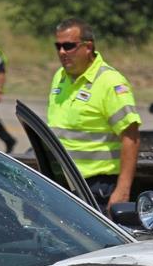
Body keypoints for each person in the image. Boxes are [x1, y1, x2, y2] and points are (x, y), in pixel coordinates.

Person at [47, 17, 141, 212]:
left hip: (96, 188)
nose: (62, 52)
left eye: (69, 46)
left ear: (88, 47)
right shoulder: (59, 77)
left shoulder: (110, 82)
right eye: (58, 46)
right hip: (62, 184)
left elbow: (130, 137)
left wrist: (122, 190)